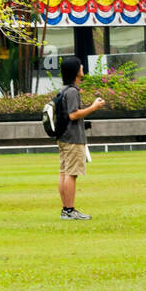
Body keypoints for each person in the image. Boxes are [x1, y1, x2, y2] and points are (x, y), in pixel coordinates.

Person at [57, 56, 105, 220]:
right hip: (73, 138)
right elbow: (73, 115)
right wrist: (94, 107)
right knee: (71, 174)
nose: (82, 67)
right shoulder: (72, 92)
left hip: (64, 137)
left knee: (64, 172)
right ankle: (70, 211)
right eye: (80, 66)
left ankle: (66, 210)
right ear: (75, 71)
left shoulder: (63, 90)